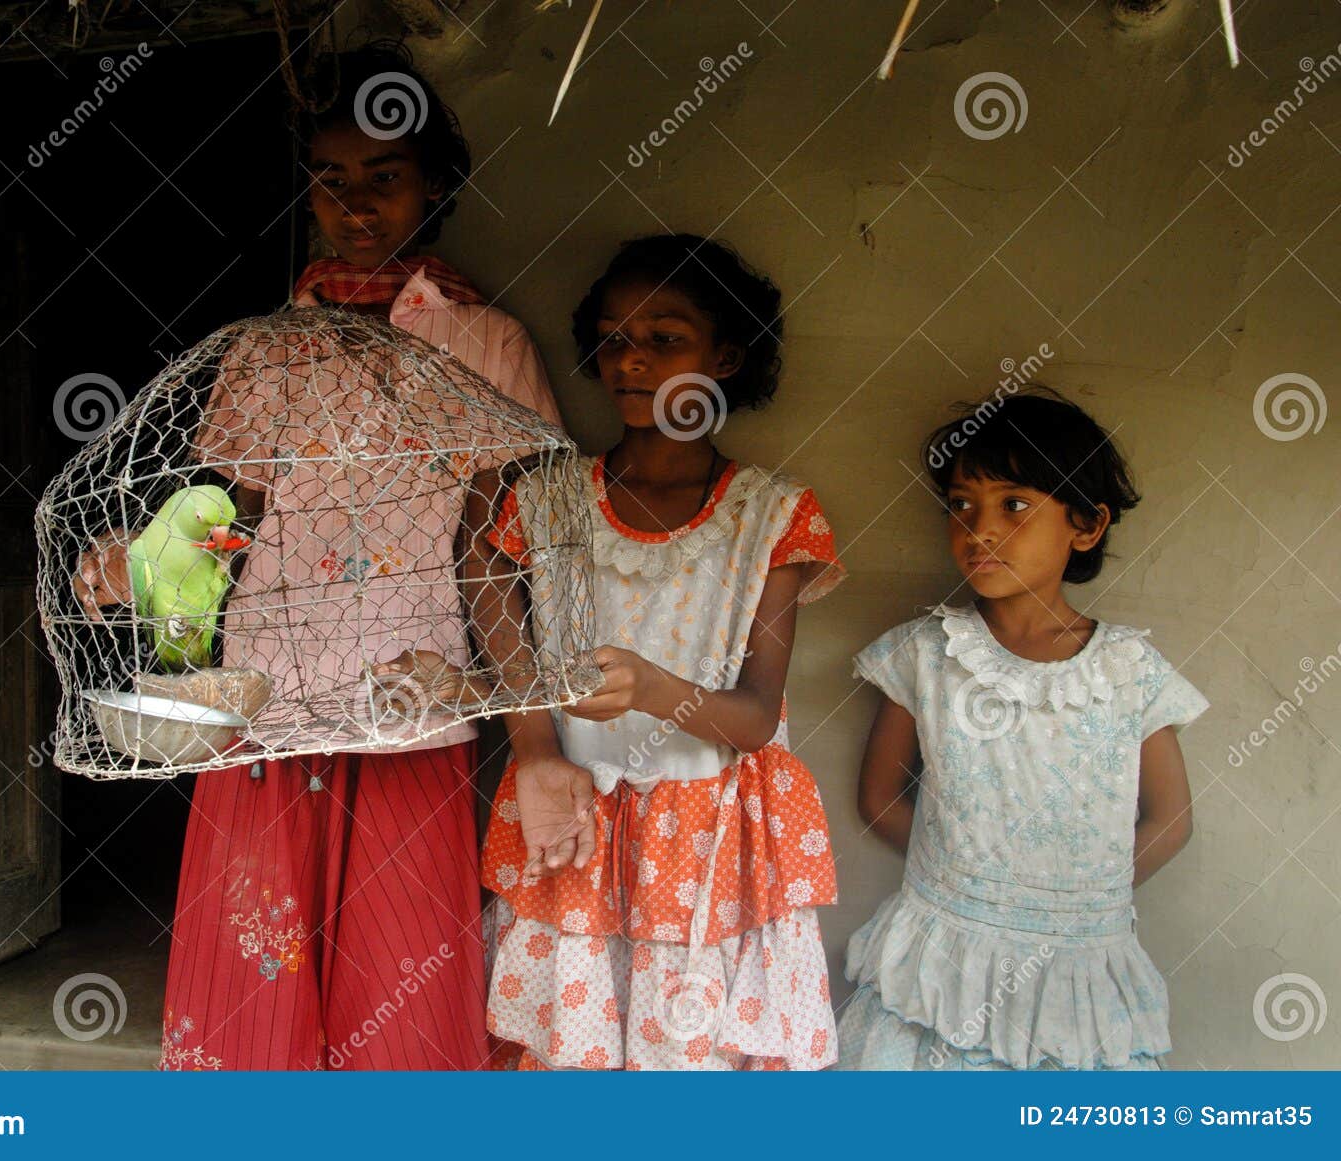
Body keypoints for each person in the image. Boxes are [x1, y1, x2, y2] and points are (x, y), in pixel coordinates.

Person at [76, 41, 559, 1070]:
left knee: (396, 975)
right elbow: (229, 523)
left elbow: (496, 553)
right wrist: (142, 567)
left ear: (437, 184)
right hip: (265, 704)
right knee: (257, 968)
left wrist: (533, 736)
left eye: (383, 178)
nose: (354, 205)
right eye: (331, 182)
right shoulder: (260, 349)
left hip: (408, 701)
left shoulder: (484, 344)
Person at [472, 234, 845, 1070]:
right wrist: (533, 742)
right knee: (576, 1051)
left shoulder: (771, 517)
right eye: (613, 340)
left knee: (690, 1058)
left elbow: (753, 719)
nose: (630, 360)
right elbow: (482, 572)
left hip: (709, 843)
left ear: (727, 356)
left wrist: (650, 686)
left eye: (663, 339)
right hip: (579, 830)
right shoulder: (549, 500)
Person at [837, 389, 1206, 1070]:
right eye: (961, 504)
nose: (979, 528)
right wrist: (969, 879)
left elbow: (1170, 817)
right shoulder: (927, 653)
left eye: (1013, 504)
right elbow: (881, 798)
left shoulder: (1129, 669)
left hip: (1079, 965)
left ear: (1086, 526)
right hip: (944, 955)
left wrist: (1079, 892)